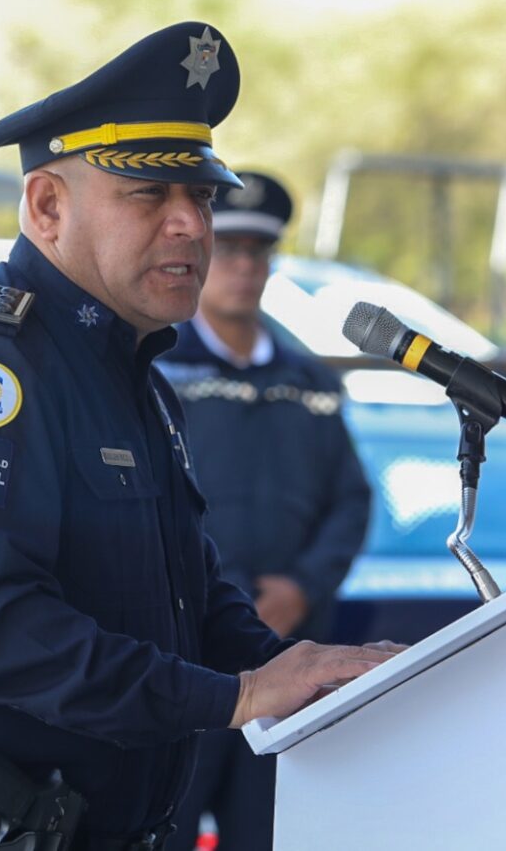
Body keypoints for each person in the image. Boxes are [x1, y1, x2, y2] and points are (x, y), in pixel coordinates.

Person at [0, 22, 400, 851]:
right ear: (47, 206)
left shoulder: (131, 375)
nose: (191, 227)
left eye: (199, 196)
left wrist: (323, 676)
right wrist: (238, 696)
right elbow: (1, 634)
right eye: (148, 194)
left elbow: (190, 603)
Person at [157, 172, 372, 851]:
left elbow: (351, 498)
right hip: (187, 655)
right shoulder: (157, 362)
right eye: (231, 250)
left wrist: (303, 589)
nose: (245, 269)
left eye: (259, 254)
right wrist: (234, 598)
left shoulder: (307, 380)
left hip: (288, 653)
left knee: (273, 831)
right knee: (164, 823)